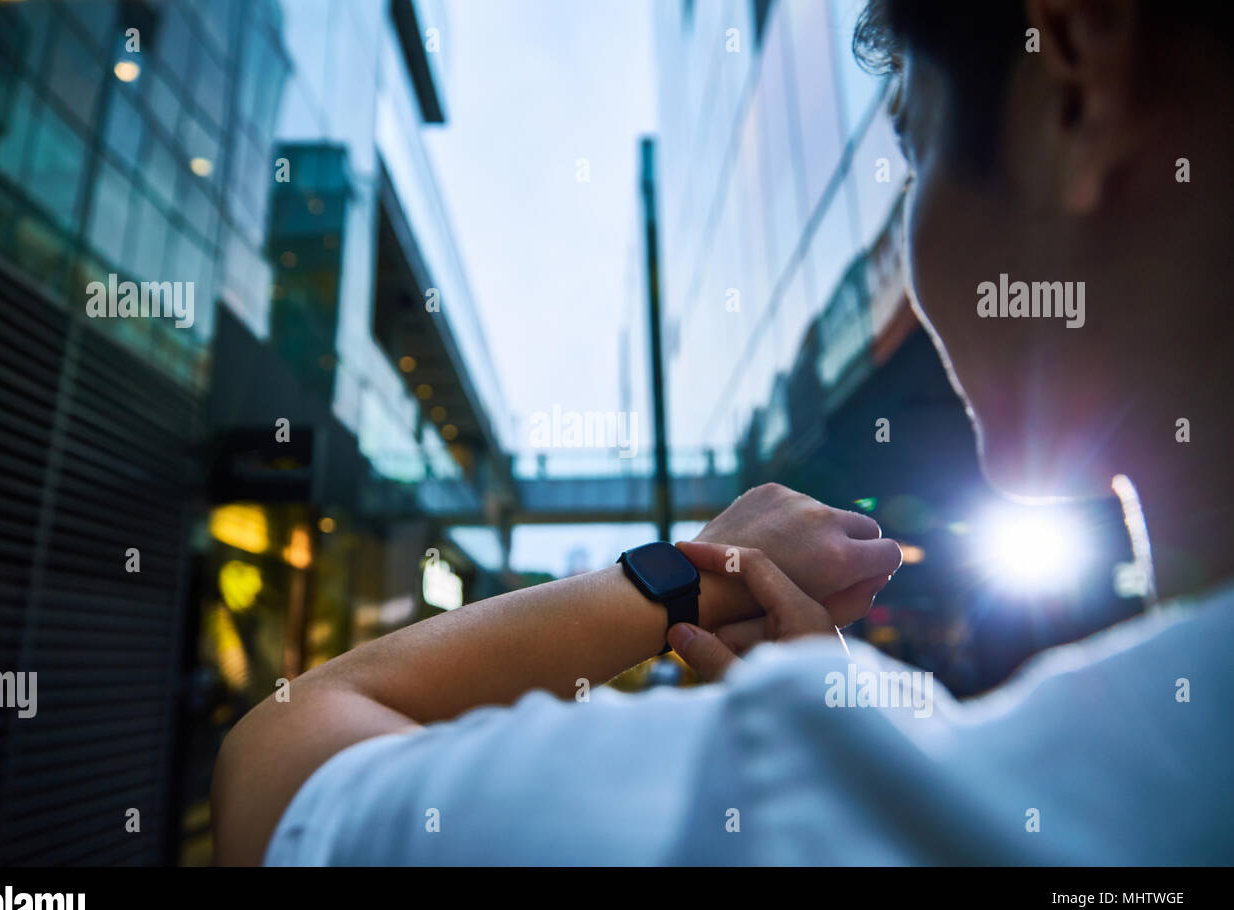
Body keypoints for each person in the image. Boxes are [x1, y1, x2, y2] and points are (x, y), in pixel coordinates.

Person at [212, 0, 1234, 865]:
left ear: (1070, 92)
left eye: (909, 142)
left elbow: (278, 764)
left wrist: (680, 579)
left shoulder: (801, 800)